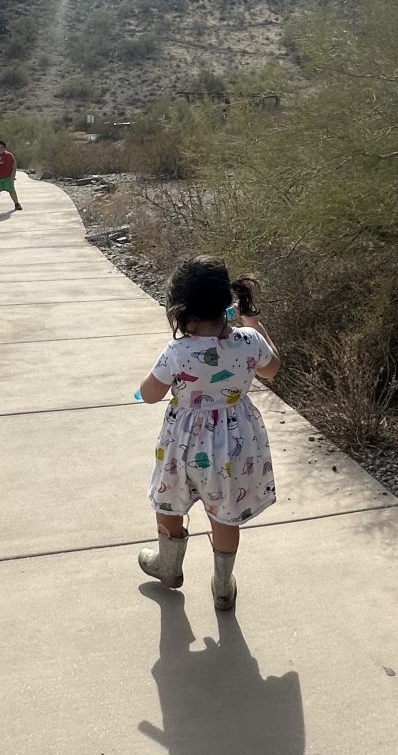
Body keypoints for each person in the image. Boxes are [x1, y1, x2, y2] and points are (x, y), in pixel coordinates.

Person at [136, 257, 280, 611]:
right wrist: (253, 322)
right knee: (225, 512)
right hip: (236, 441)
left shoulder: (177, 352)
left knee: (170, 500)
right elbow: (273, 369)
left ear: (180, 312)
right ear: (226, 305)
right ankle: (222, 585)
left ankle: (168, 567)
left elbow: (150, 394)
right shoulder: (248, 341)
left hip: (184, 442)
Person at [0, 139, 22, 213]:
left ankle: (17, 204)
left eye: (2, 147)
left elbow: (14, 165)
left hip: (8, 177)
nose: (0, 149)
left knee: (12, 191)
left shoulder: (9, 155)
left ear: (5, 148)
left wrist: (13, 175)